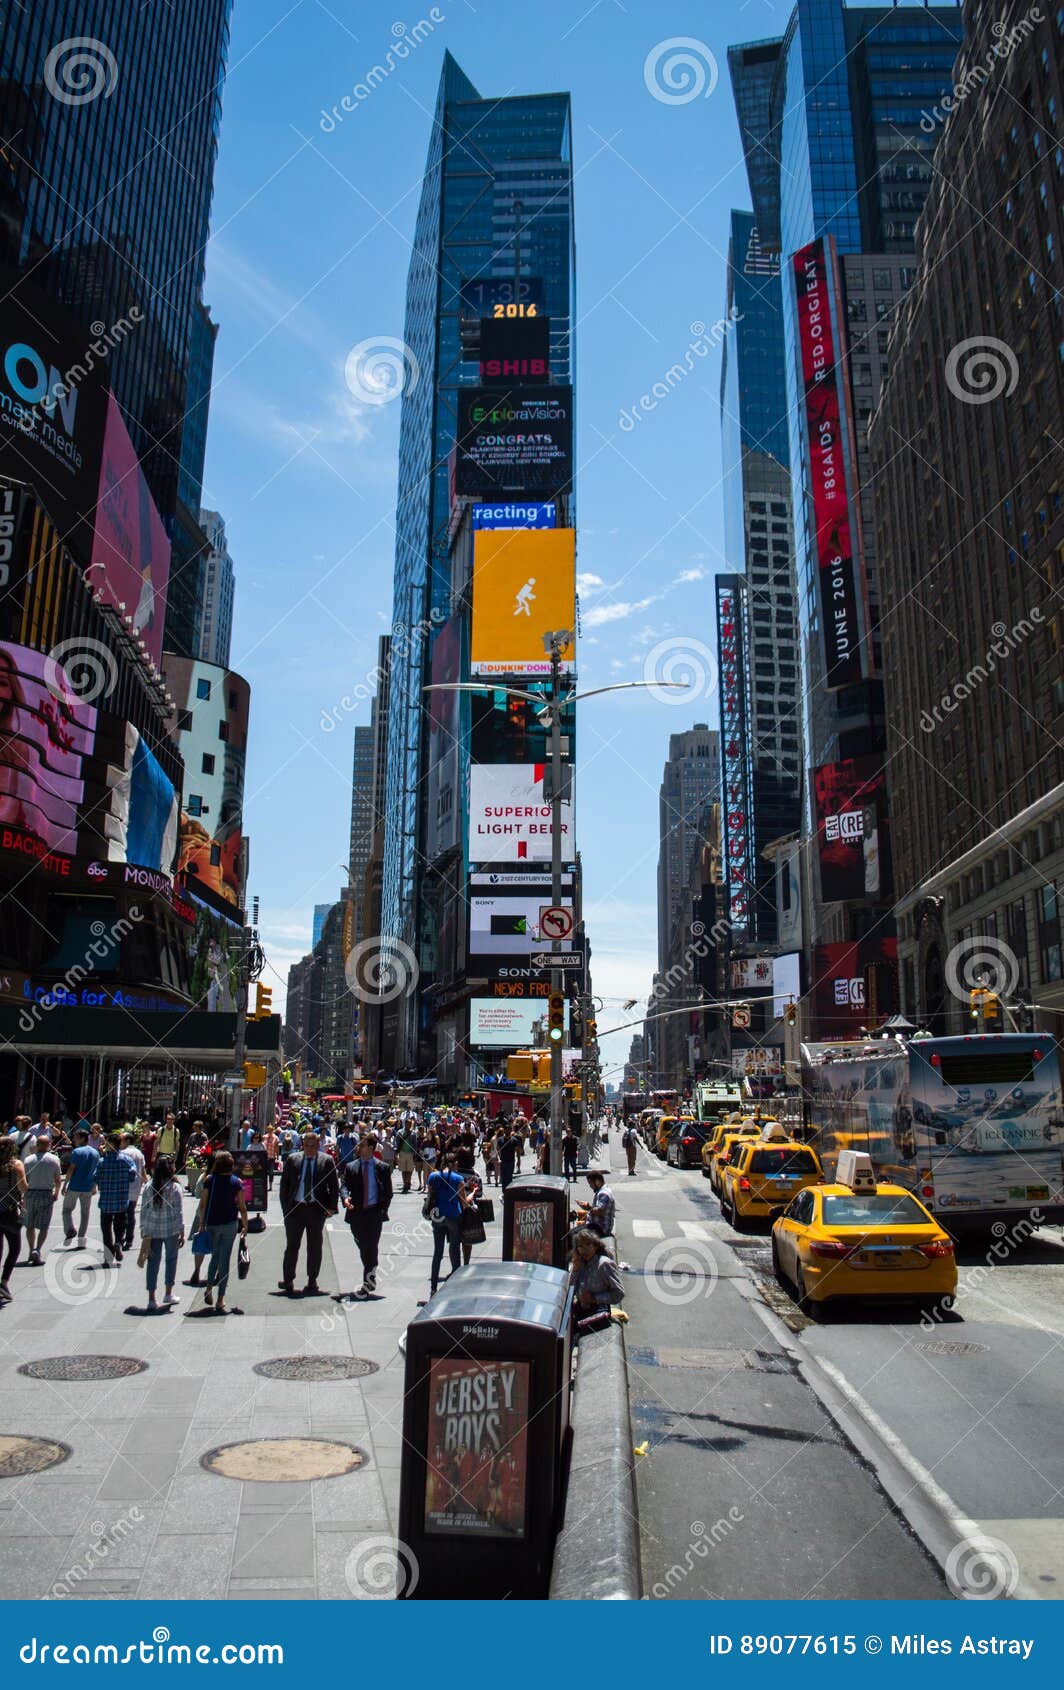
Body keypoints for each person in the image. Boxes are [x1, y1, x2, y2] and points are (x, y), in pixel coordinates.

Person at [278, 1131, 339, 1296]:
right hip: (295, 1210)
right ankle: (288, 1280)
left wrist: (332, 1207)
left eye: (313, 1146)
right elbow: (284, 1186)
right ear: (302, 1145)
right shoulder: (293, 1160)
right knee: (292, 1246)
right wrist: (286, 1209)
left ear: (318, 1145)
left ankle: (312, 1280)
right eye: (307, 1146)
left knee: (314, 1246)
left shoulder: (326, 1161)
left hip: (315, 1210)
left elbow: (334, 1186)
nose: (310, 1149)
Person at [194, 1149, 247, 1313]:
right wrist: (245, 1225)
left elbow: (203, 1204)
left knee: (215, 1257)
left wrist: (201, 1222)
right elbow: (242, 1207)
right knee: (225, 1261)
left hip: (212, 1223)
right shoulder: (236, 1182)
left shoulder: (210, 1180)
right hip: (230, 1223)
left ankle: (209, 1288)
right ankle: (220, 1299)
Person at [342, 1132, 393, 1300]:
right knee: (363, 1244)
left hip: (374, 1212)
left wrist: (382, 1210)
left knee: (371, 1244)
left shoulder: (382, 1167)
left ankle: (368, 1279)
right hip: (356, 1212)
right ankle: (371, 1265)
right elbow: (343, 1186)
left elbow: (389, 1192)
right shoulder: (351, 1167)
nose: (359, 1148)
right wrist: (345, 1198)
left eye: (362, 1145)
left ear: (370, 1148)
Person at [139, 1156, 184, 1310]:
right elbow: (178, 1212)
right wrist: (182, 1230)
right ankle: (168, 1293)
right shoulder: (174, 1187)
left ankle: (151, 1298)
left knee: (153, 1262)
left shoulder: (149, 1186)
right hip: (171, 1229)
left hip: (152, 1229)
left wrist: (143, 1228)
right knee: (171, 1260)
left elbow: (143, 1209)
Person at [427, 1154, 473, 1297]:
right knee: (454, 1249)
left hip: (438, 1217)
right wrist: (473, 1193)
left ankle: (433, 1287)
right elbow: (464, 1203)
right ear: (455, 1163)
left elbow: (430, 1196)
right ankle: (456, 1287)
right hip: (453, 1216)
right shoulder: (458, 1179)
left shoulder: (433, 1177)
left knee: (437, 1252)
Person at [94, 1134, 137, 1266]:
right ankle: (118, 1243)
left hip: (106, 1201)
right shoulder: (127, 1160)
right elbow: (133, 1176)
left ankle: (108, 1256)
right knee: (120, 1225)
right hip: (121, 1200)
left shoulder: (102, 1162)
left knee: (106, 1229)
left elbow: (95, 1178)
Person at [22, 1133, 62, 1264]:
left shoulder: (28, 1160)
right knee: (44, 1225)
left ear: (37, 1145)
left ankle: (31, 1250)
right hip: (46, 1194)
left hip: (31, 1194)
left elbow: (24, 1180)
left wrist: (22, 1195)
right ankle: (37, 1249)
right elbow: (57, 1179)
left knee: (29, 1225)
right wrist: (56, 1193)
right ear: (48, 1145)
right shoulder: (54, 1159)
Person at [570, 1228, 625, 1315]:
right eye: (580, 1246)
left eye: (588, 1244)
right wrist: (575, 1271)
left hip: (598, 1312)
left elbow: (619, 1293)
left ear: (595, 1246)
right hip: (581, 1310)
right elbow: (571, 1290)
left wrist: (594, 1298)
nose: (585, 1249)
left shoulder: (604, 1264)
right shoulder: (579, 1263)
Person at [61, 1128, 100, 1247]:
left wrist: (65, 1184)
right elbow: (96, 1171)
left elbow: (71, 1169)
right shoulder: (95, 1153)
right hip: (88, 1186)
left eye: (76, 1137)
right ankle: (81, 1239)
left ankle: (70, 1229)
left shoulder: (77, 1152)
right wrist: (94, 1186)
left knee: (67, 1210)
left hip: (75, 1186)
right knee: (85, 1213)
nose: (74, 1139)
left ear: (82, 1138)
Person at [0, 1136, 26, 1300]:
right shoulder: (16, 1165)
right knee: (14, 1248)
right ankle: (4, 1282)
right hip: (9, 1212)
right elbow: (23, 1187)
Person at [119, 1131, 147, 1252]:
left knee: (122, 1214)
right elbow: (143, 1169)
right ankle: (129, 1238)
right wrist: (145, 1181)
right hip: (136, 1187)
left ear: (128, 1141)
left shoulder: (123, 1153)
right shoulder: (139, 1153)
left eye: (122, 1140)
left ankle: (121, 1237)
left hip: (124, 1187)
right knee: (130, 1213)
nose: (120, 1142)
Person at [578, 1169, 615, 1239]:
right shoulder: (601, 1191)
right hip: (595, 1226)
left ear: (597, 1181)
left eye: (590, 1183)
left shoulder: (603, 1193)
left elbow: (600, 1211)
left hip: (600, 1229)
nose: (590, 1186)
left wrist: (588, 1207)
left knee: (574, 1235)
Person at [497, 1122, 519, 1191]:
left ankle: (509, 1191)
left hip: (511, 1161)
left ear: (510, 1130)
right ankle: (504, 1191)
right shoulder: (500, 1139)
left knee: (509, 1177)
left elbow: (517, 1150)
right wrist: (499, 1158)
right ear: (504, 1130)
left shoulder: (514, 1140)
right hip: (503, 1161)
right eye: (506, 1129)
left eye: (509, 1129)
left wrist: (518, 1160)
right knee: (503, 1177)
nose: (507, 1131)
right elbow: (498, 1150)